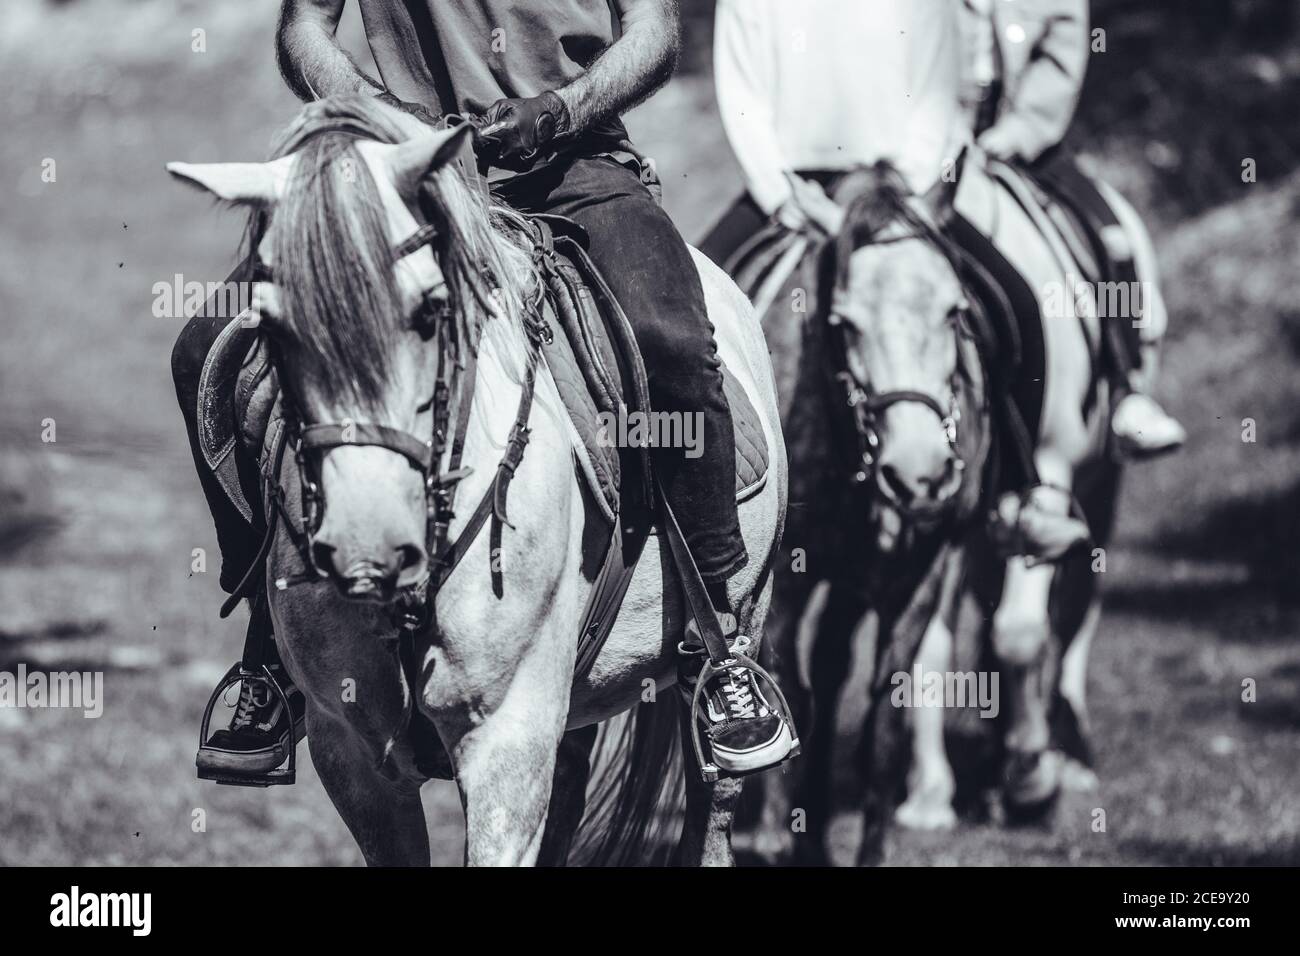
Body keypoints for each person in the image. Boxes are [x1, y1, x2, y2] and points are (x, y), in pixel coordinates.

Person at [173, 0, 795, 783]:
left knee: (667, 338)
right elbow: (304, 27)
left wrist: (563, 108)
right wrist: (384, 113)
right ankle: (270, 646)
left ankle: (718, 643)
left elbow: (655, 34)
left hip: (572, 166)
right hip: (397, 176)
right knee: (204, 351)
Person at [701, 0, 1090, 558]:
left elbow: (937, 84)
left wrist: (902, 195)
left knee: (1014, 301)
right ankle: (692, 523)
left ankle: (1018, 494)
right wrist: (782, 195)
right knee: (690, 307)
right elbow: (741, 94)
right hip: (793, 191)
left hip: (900, 189)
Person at [961, 0, 1185, 457]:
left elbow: (1058, 70)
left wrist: (1010, 136)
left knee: (1110, 234)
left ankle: (1126, 385)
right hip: (931, 152)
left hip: (1022, 142)